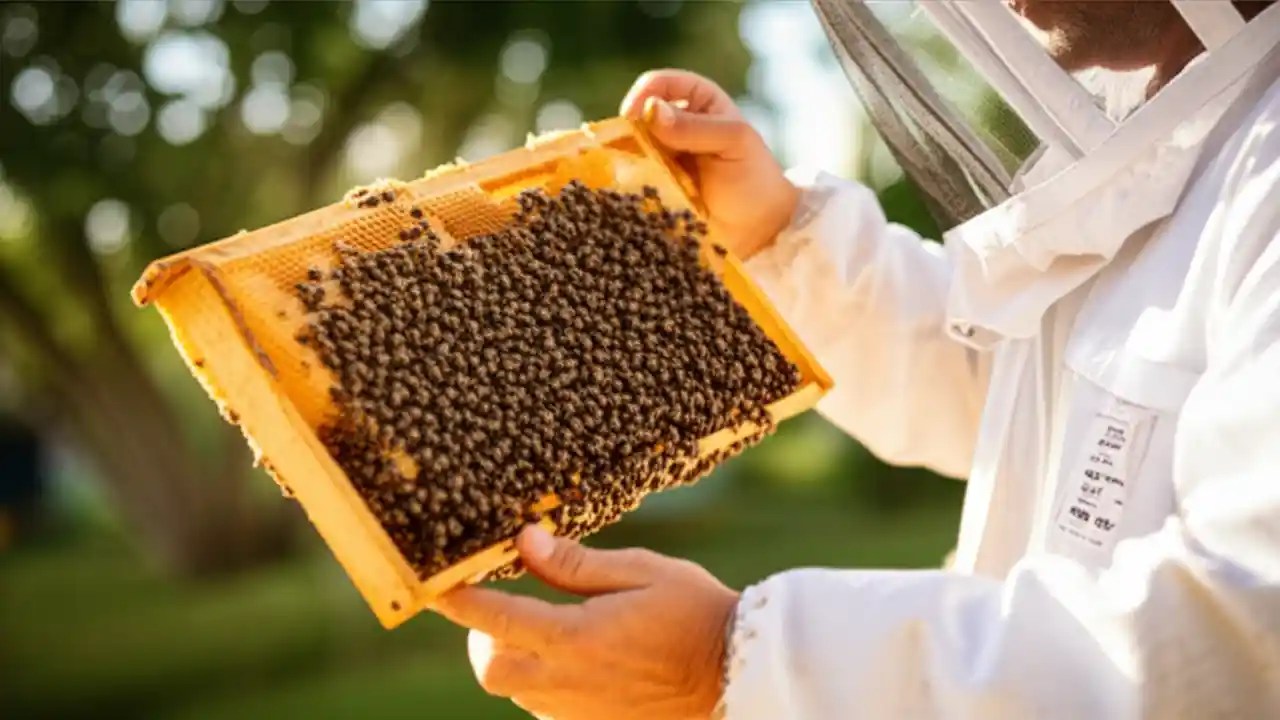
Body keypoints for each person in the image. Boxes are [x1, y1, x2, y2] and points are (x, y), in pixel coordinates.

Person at [434, 1, 1280, 717]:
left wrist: (745, 664)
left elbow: (1244, 631)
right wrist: (781, 237)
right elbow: (1029, 407)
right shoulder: (1168, 132)